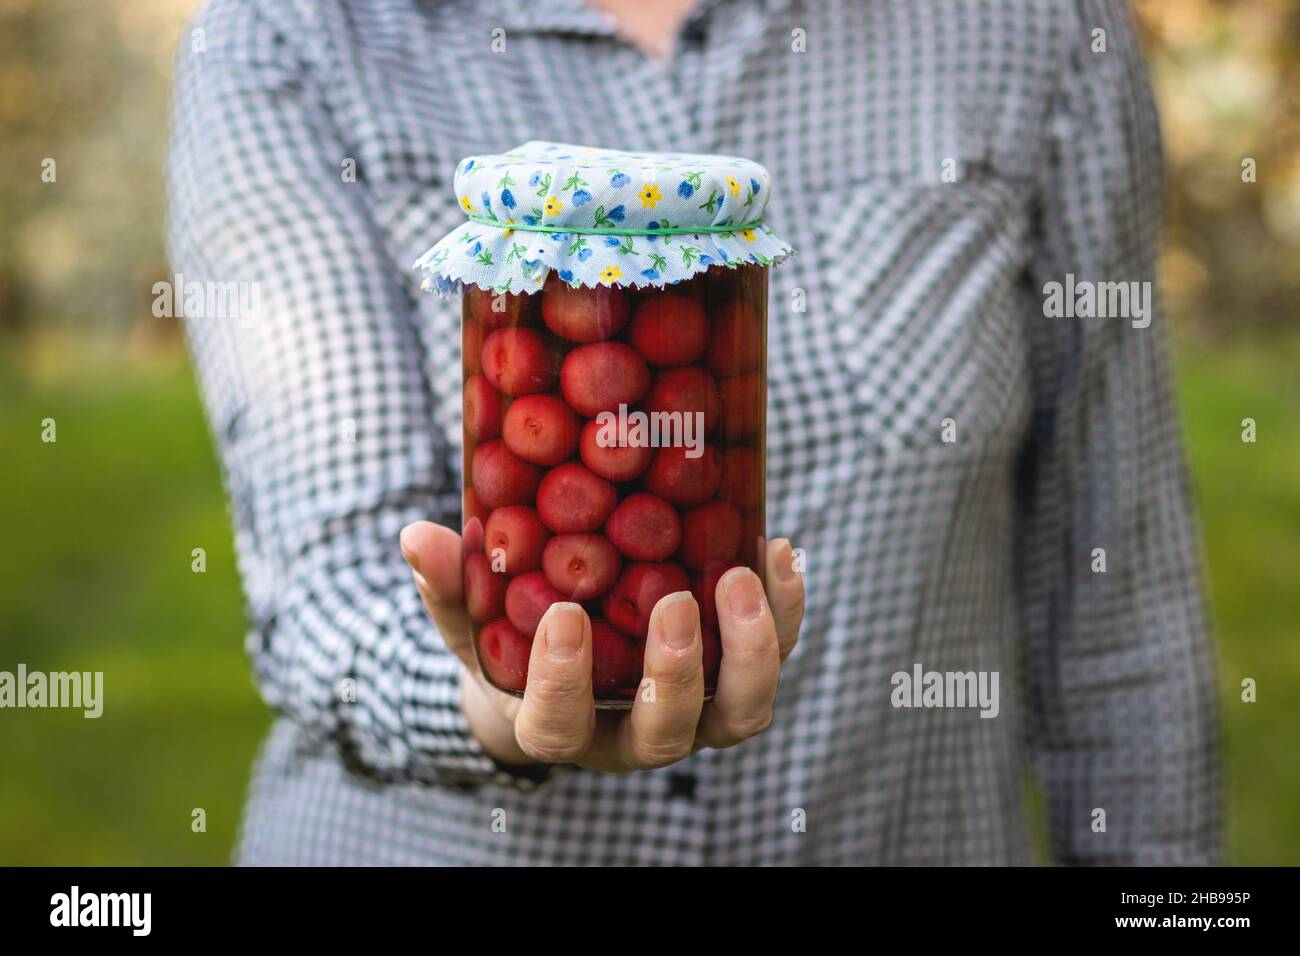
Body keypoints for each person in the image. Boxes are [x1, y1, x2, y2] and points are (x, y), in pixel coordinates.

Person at [167, 0, 1222, 865]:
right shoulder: (291, 32)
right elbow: (326, 583)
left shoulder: (1031, 27)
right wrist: (489, 702)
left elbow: (1116, 588)